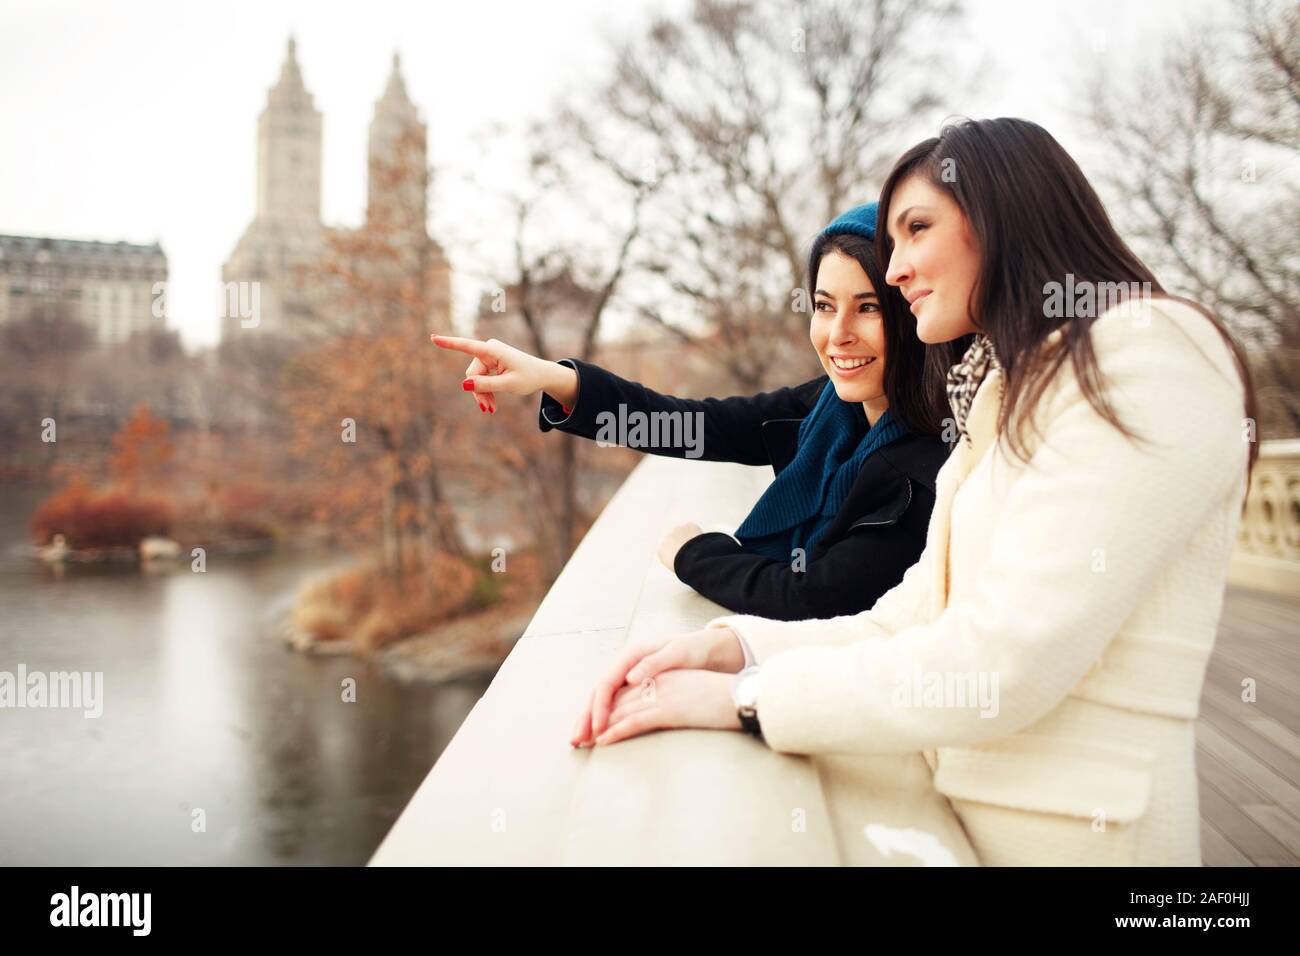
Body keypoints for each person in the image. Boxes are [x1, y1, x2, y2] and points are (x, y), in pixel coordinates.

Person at [571, 118, 1259, 867]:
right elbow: (910, 616)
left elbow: (1004, 662)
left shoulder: (1147, 353)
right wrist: (727, 647)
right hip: (950, 814)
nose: (895, 271)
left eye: (916, 230)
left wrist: (748, 700)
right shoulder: (998, 392)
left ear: (1003, 216)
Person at [433, 202, 962, 621]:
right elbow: (692, 425)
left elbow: (813, 597)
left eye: (868, 307)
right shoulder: (831, 407)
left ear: (911, 309)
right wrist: (553, 379)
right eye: (824, 306)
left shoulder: (925, 465)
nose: (838, 333)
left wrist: (693, 552)